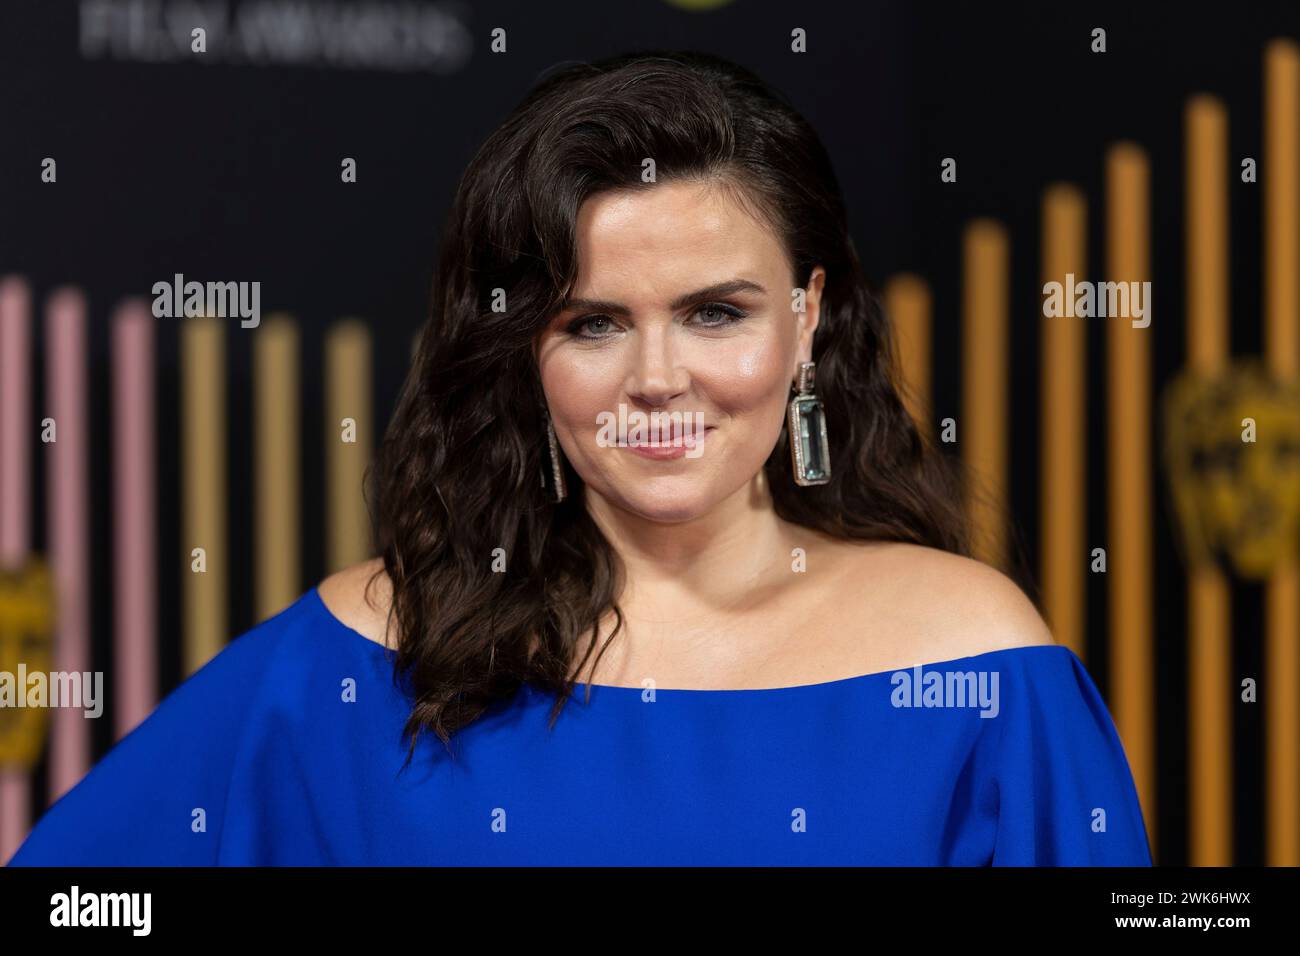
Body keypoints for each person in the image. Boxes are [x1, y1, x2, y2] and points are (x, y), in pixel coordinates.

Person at [7, 50, 1152, 866]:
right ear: (521, 346)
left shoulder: (980, 659)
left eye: (715, 311)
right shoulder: (362, 651)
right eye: (592, 323)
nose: (657, 377)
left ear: (808, 317)